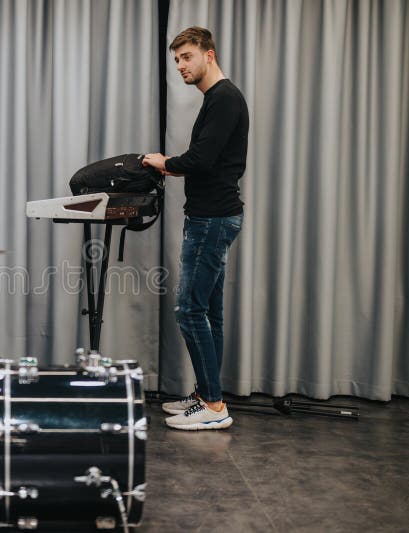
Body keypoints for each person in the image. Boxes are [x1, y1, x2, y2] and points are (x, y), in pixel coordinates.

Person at [143, 27, 248, 430]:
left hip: (211, 221)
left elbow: (202, 160)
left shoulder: (224, 98)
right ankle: (207, 393)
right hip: (214, 217)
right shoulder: (218, 97)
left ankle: (215, 408)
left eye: (187, 57)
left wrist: (163, 162)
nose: (181, 67)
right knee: (210, 314)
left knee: (189, 311)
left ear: (209, 54)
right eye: (177, 61)